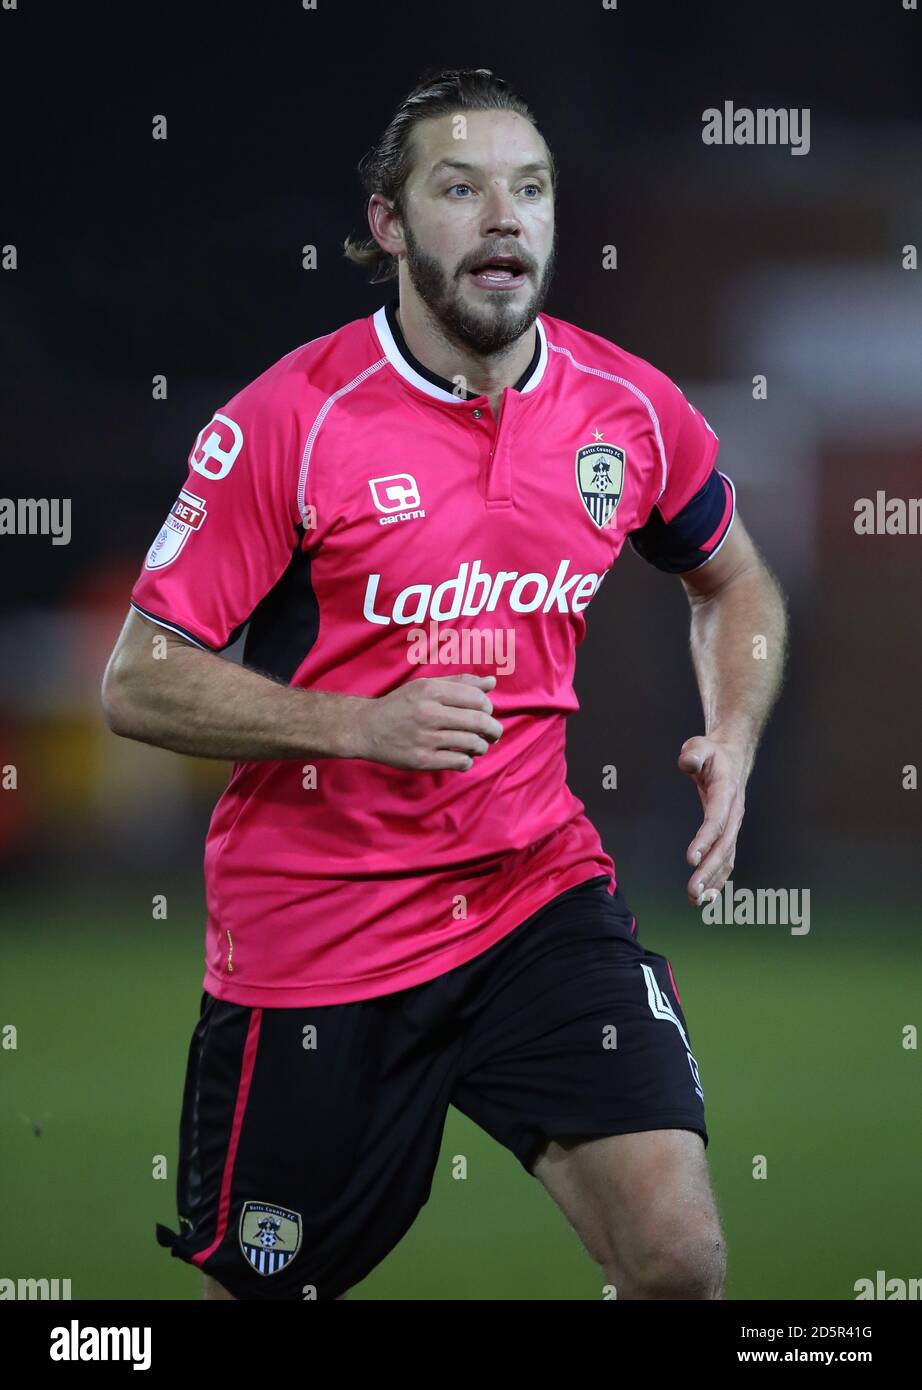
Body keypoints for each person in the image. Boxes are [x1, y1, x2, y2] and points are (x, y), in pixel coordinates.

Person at [101, 67, 787, 1301]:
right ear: (388, 223)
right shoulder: (288, 421)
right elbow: (139, 680)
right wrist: (357, 723)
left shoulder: (623, 406)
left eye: (528, 189)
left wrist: (730, 730)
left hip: (534, 895)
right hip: (319, 935)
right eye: (459, 189)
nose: (504, 218)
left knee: (678, 1259)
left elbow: (734, 580)